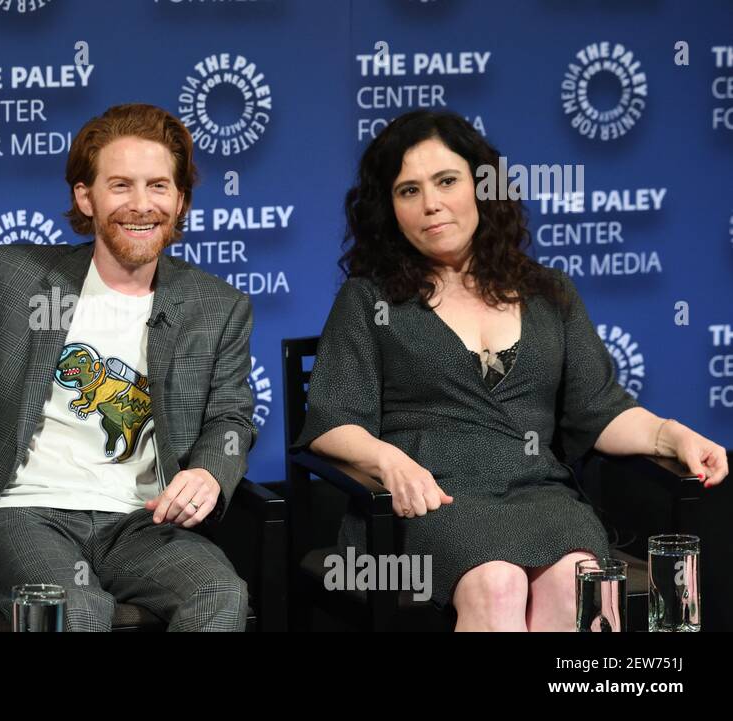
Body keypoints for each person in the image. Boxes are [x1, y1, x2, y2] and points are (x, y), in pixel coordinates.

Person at [296, 110, 727, 631]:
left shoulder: (549, 293)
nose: (430, 203)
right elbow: (332, 422)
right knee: (495, 581)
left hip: (539, 493)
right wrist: (388, 461)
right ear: (389, 208)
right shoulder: (369, 299)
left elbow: (600, 410)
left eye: (446, 181)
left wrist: (670, 435)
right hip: (435, 500)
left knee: (580, 582)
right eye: (408, 190)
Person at [0, 103, 256, 631]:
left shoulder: (218, 306)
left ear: (181, 199)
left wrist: (211, 470)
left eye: (159, 186)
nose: (142, 205)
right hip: (21, 513)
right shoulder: (17, 276)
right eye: (121, 185)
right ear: (85, 197)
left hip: (142, 523)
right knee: (73, 608)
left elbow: (231, 415)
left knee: (220, 594)